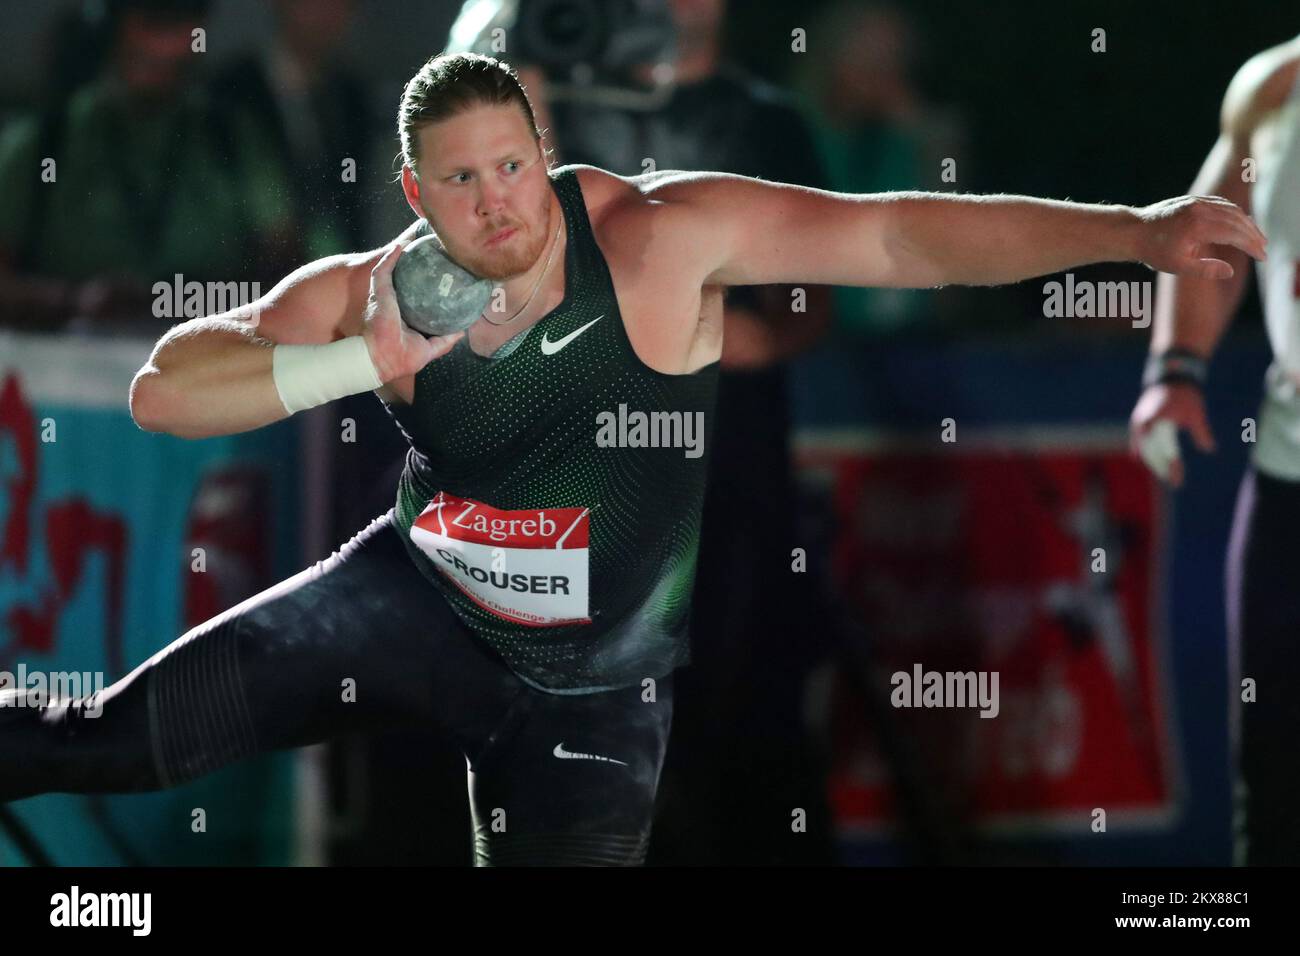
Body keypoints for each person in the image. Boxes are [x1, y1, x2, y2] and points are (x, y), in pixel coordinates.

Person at [0, 52, 1266, 866]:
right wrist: (364, 357)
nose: (500, 204)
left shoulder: (661, 235)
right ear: (414, 191)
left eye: (515, 167)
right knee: (91, 742)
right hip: (407, 605)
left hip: (592, 694)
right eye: (464, 182)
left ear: (542, 155)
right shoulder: (372, 287)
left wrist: (1132, 230)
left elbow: (897, 238)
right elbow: (161, 390)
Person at [1129, 33, 1300, 866]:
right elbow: (1212, 234)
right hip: (1288, 471)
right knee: (1271, 780)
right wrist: (1177, 367)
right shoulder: (1274, 86)